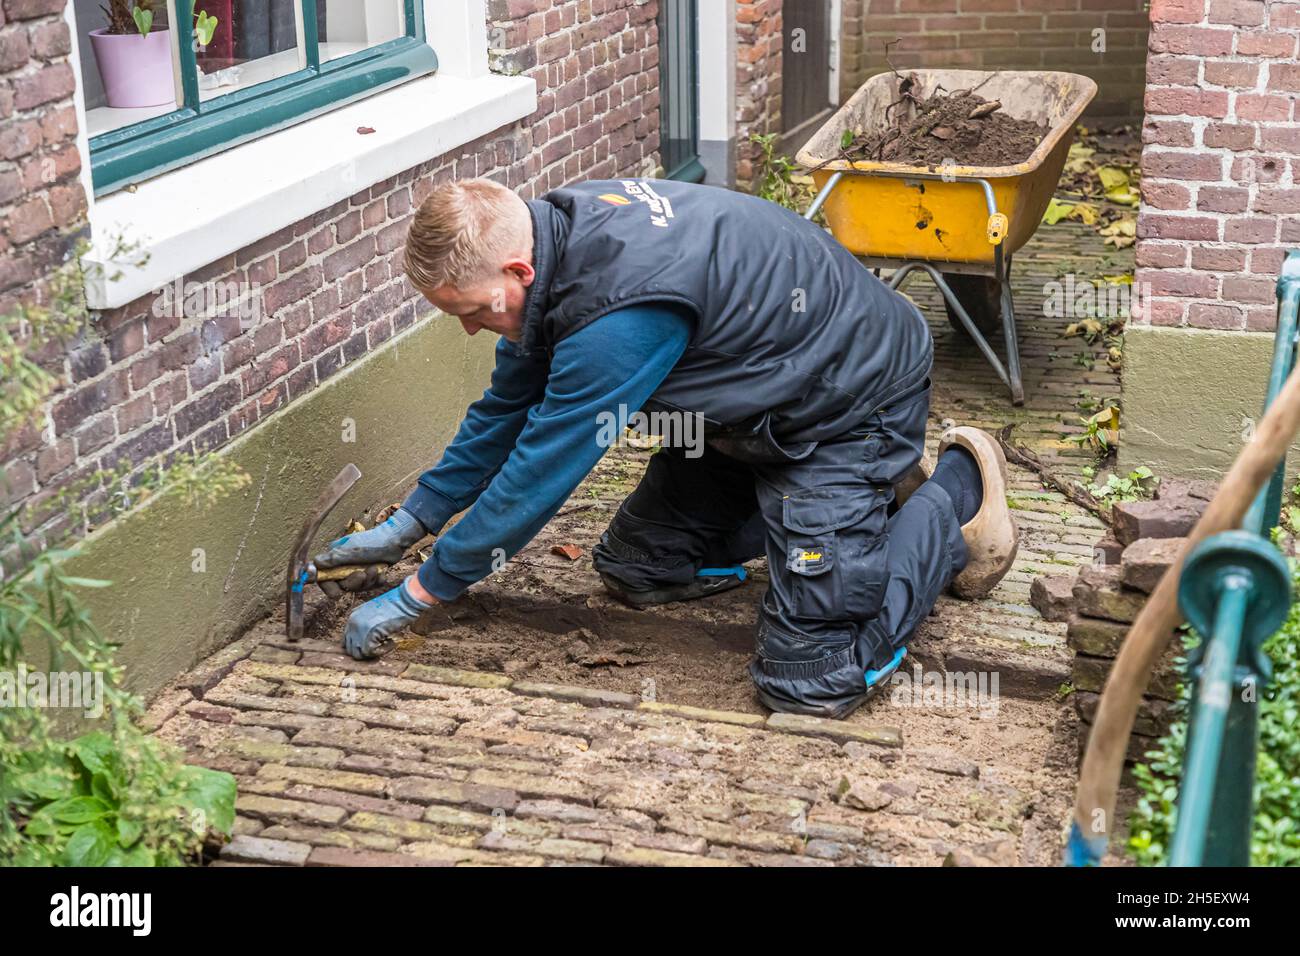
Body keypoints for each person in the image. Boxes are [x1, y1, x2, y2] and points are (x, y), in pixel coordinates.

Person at [312, 177, 1018, 719]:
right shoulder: (557, 245)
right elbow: (506, 411)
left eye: (473, 312)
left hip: (846, 400)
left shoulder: (618, 317)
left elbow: (540, 473)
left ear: (519, 272)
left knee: (809, 678)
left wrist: (423, 590)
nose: (471, 330)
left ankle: (955, 489)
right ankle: (848, 521)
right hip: (749, 405)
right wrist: (413, 519)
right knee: (638, 568)